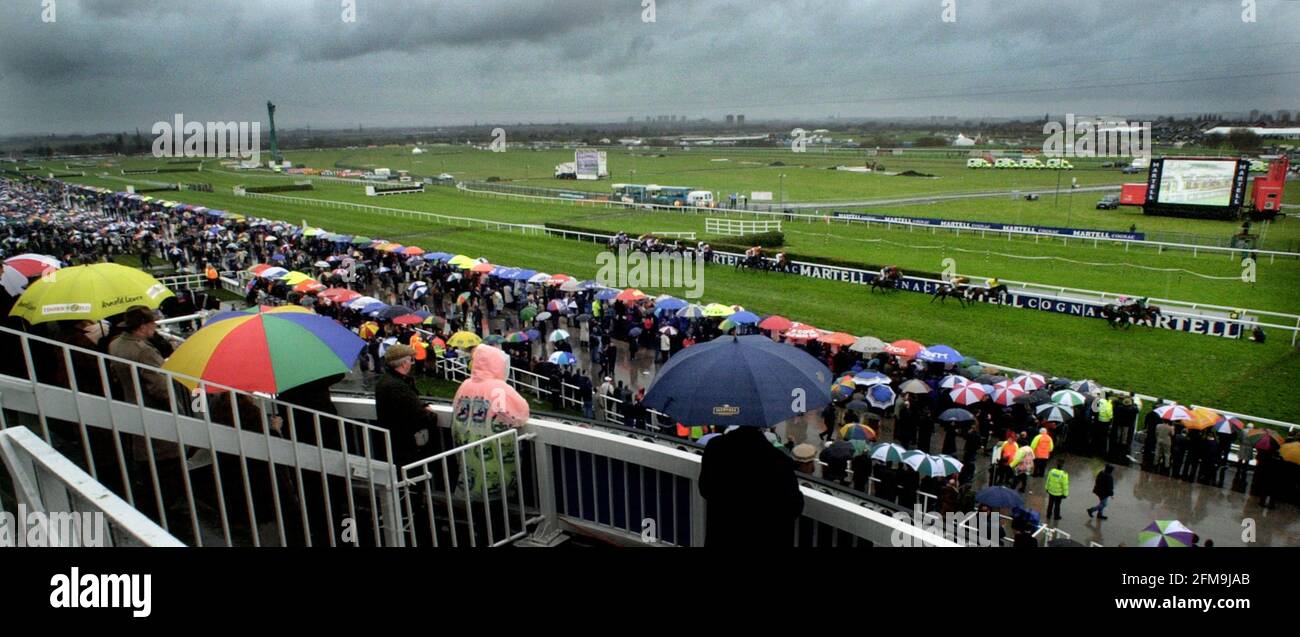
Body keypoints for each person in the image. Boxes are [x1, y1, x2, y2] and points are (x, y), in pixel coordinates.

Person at [698, 426, 804, 547]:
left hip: (721, 537)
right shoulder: (779, 460)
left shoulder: (715, 447)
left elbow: (705, 489)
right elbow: (793, 507)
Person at [373, 344, 437, 467]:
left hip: (393, 442)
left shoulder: (386, 381)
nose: (412, 363)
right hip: (403, 445)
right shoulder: (398, 386)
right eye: (411, 360)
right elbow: (420, 417)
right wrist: (431, 415)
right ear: (403, 363)